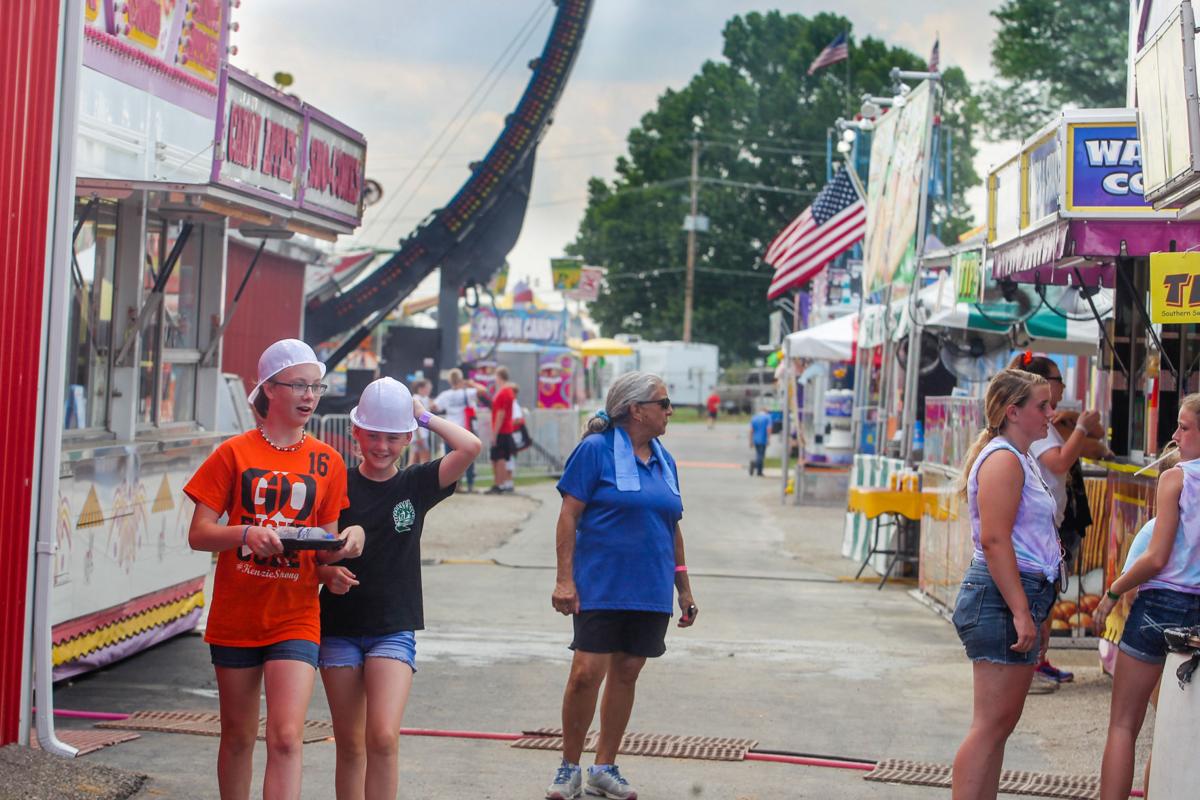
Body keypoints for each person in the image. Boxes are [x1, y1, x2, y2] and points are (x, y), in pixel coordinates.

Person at [184, 338, 366, 800]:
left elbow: (323, 545)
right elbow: (199, 533)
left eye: (316, 387)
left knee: (286, 737)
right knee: (239, 736)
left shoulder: (329, 459)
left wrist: (342, 551)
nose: (309, 396)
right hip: (236, 616)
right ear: (269, 389)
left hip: (295, 616)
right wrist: (245, 533)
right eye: (299, 386)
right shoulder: (233, 453)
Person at [318, 377, 481, 800]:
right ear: (355, 433)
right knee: (350, 743)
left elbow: (470, 448)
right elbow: (318, 552)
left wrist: (423, 415)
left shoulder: (417, 484)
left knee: (384, 737)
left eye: (393, 437)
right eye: (373, 435)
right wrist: (325, 574)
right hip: (338, 626)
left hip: (393, 626)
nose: (382, 446)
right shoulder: (338, 482)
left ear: (408, 438)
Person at [545, 371, 698, 800]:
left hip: (649, 589)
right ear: (636, 410)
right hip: (601, 586)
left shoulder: (664, 460)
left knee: (628, 672)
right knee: (585, 675)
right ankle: (568, 768)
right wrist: (563, 579)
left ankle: (604, 767)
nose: (670, 411)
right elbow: (568, 515)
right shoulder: (595, 450)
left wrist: (683, 588)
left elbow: (672, 526)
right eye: (663, 403)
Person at [950, 368, 1060, 800]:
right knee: (991, 726)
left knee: (998, 728)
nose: (1050, 413)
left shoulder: (1017, 456)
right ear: (1013, 411)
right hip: (1002, 596)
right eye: (1042, 406)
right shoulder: (1003, 459)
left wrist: (1034, 609)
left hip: (1015, 593)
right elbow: (995, 540)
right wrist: (1020, 610)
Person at [1093, 398, 1200, 800]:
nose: (1174, 436)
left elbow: (1155, 558)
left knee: (1123, 724)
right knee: (1182, 725)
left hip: (1160, 606)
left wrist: (1112, 592)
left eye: (1184, 427)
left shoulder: (1176, 479)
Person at [1004, 353, 1103, 688]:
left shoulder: (1045, 422)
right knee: (1037, 599)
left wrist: (1076, 421)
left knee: (1043, 598)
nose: (1061, 387)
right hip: (1044, 528)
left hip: (1053, 523)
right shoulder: (1036, 428)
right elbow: (1060, 462)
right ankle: (1030, 664)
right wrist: (1078, 427)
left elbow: (1098, 442)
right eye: (1057, 379)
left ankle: (1035, 662)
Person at [431, 368, 488, 492]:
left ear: (450, 381)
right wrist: (470, 383)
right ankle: (470, 485)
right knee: (469, 458)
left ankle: (454, 485)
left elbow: (434, 406)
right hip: (466, 430)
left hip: (450, 431)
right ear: (461, 379)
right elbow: (483, 390)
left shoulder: (446, 395)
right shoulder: (467, 392)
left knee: (451, 459)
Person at [487, 366, 517, 494]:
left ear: (499, 377)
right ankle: (502, 483)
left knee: (499, 458)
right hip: (506, 429)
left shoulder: (504, 392)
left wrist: (494, 433)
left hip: (502, 430)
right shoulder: (508, 391)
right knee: (501, 458)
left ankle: (499, 484)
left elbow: (501, 414)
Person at [408, 378, 433, 465]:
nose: (429, 390)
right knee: (424, 458)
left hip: (419, 435)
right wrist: (419, 436)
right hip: (420, 435)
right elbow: (418, 419)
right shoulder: (417, 400)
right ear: (421, 388)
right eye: (428, 388)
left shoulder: (420, 399)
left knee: (414, 458)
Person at [749, 408, 771, 476]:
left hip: (756, 439)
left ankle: (759, 471)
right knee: (761, 456)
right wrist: (768, 439)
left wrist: (750, 441)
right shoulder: (767, 418)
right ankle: (755, 465)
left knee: (758, 454)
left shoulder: (754, 418)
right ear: (766, 412)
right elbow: (769, 429)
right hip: (763, 439)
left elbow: (751, 430)